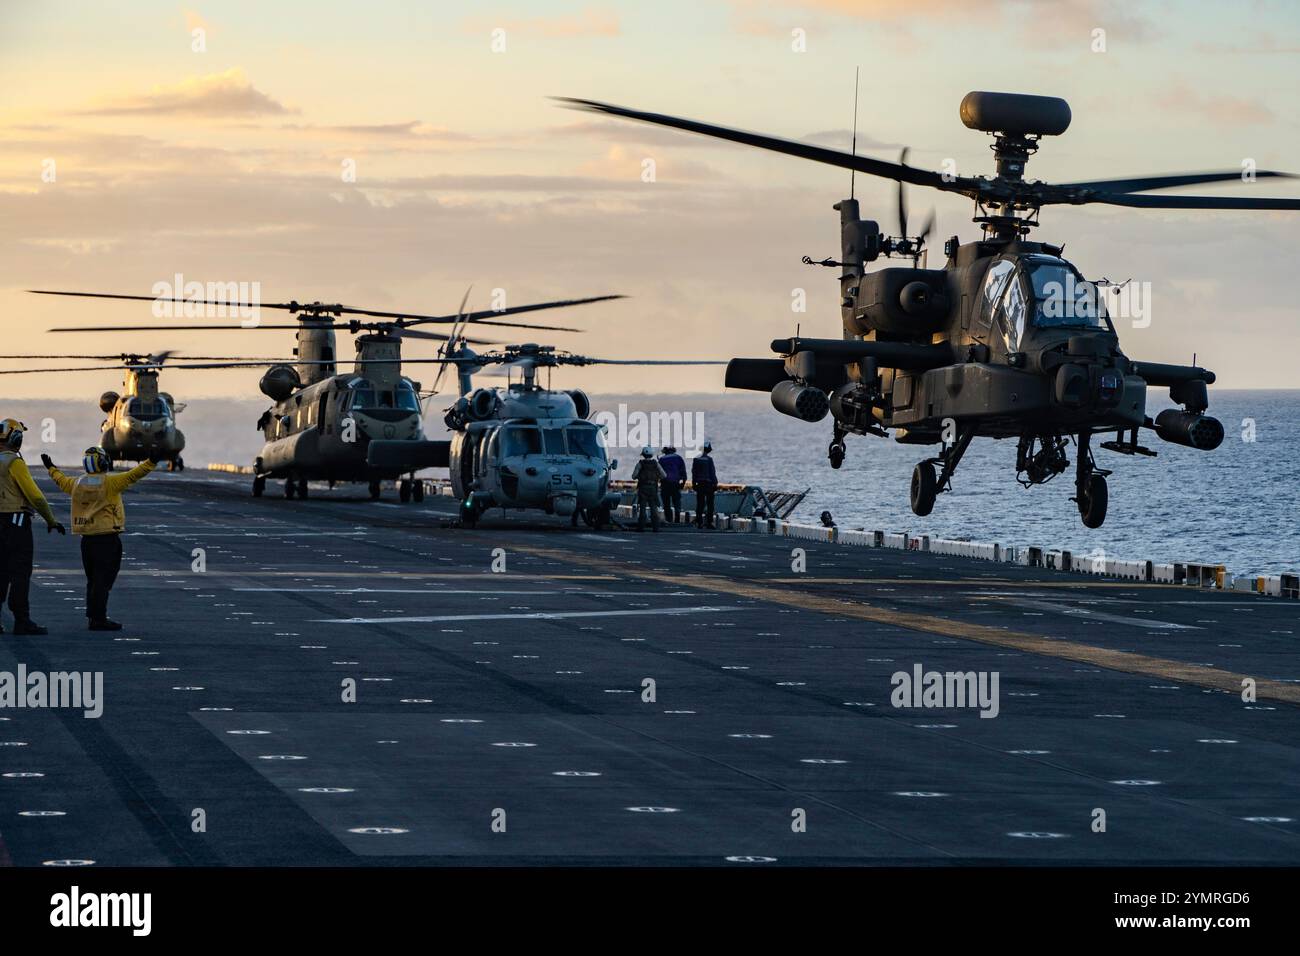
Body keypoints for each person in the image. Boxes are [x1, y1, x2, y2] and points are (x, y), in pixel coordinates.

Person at [43, 447, 155, 631]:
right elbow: (134, 475)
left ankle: (93, 615)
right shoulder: (109, 483)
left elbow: (61, 482)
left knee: (93, 580)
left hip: (86, 540)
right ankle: (99, 618)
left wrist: (51, 468)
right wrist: (151, 462)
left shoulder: (77, 483)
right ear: (103, 463)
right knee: (104, 580)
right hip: (107, 538)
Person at [0, 419, 65, 635]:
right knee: (20, 571)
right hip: (16, 521)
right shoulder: (14, 463)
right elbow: (35, 496)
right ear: (15, 438)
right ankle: (22, 619)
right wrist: (50, 519)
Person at [630, 445, 665, 532]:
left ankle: (641, 527)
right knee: (654, 508)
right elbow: (664, 475)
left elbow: (633, 476)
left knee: (642, 508)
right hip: (653, 488)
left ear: (643, 454)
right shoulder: (656, 464)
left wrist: (640, 476)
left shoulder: (640, 464)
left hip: (643, 488)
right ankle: (656, 528)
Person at [691, 440, 719, 530]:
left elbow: (694, 472)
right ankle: (709, 522)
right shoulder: (709, 460)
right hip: (709, 485)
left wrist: (693, 483)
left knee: (700, 504)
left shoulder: (696, 459)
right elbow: (712, 473)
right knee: (710, 504)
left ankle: (699, 522)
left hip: (700, 484)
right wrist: (715, 483)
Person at [657, 445, 686, 524]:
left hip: (665, 484)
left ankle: (669, 520)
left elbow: (658, 473)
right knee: (676, 502)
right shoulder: (679, 458)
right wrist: (682, 484)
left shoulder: (662, 459)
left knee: (666, 503)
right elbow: (684, 473)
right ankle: (677, 519)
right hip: (675, 484)